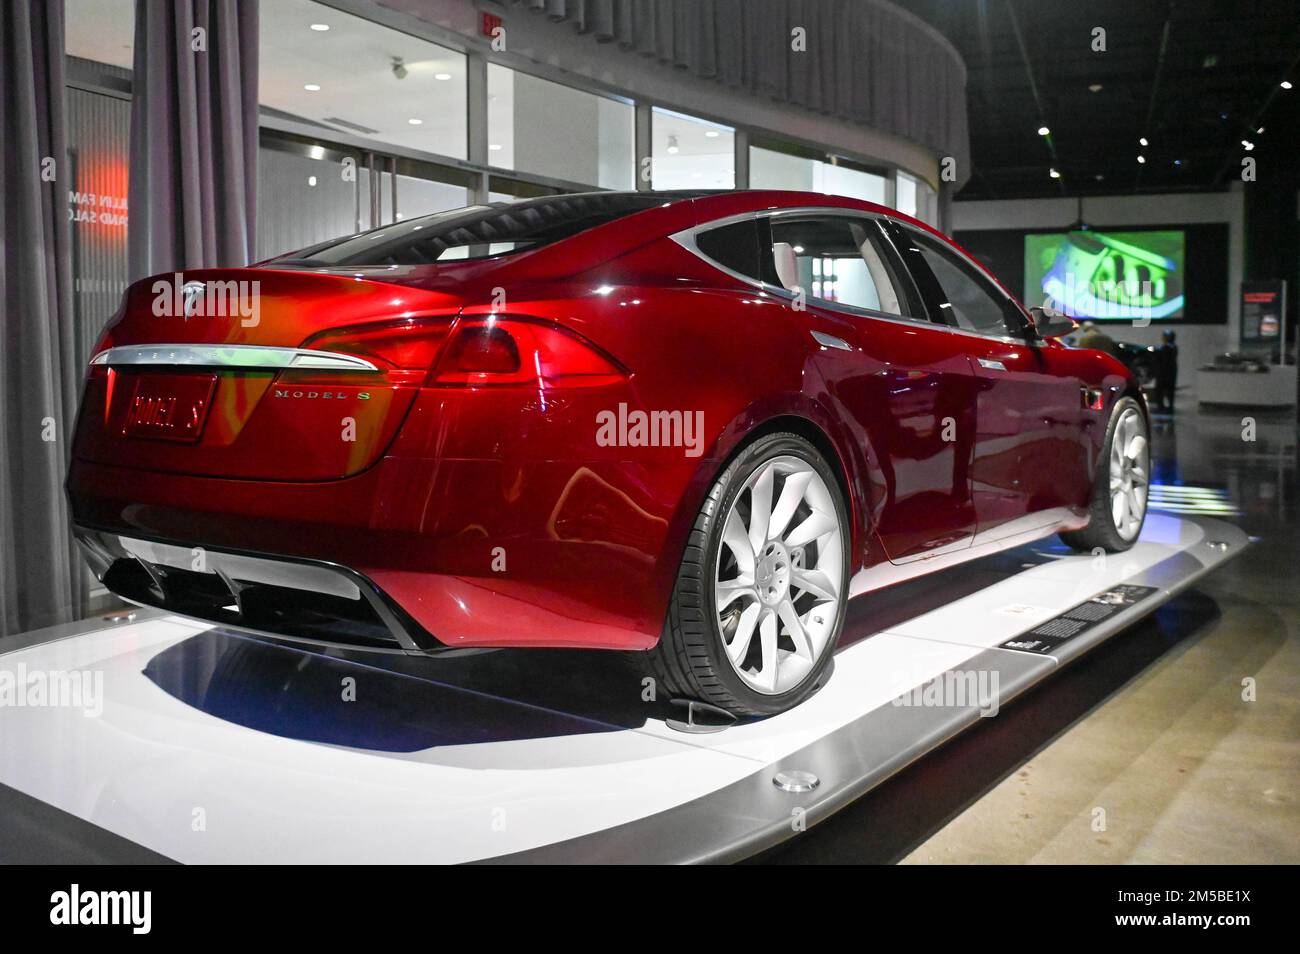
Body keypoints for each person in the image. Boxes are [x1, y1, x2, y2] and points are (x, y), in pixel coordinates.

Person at [1152, 329, 1178, 414]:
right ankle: (1164, 407)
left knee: (1163, 391)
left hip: (1165, 373)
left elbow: (1159, 357)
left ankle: (1164, 407)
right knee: (1165, 391)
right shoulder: (1171, 347)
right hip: (1168, 373)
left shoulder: (1169, 348)